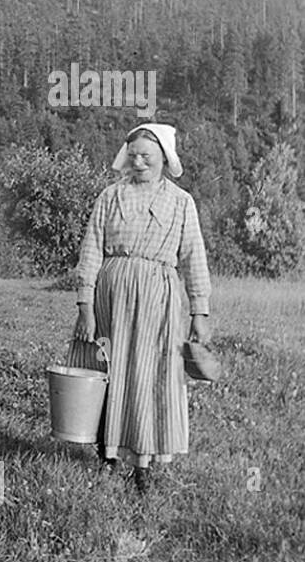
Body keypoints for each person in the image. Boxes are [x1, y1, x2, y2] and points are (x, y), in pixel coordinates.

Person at [69, 123, 212, 492]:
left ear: (165, 158)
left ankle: (142, 463)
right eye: (133, 154)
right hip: (110, 297)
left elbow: (194, 257)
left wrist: (200, 312)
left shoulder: (181, 202)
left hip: (158, 300)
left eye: (147, 155)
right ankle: (107, 453)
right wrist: (85, 304)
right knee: (107, 371)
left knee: (148, 377)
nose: (139, 161)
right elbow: (90, 252)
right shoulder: (110, 196)